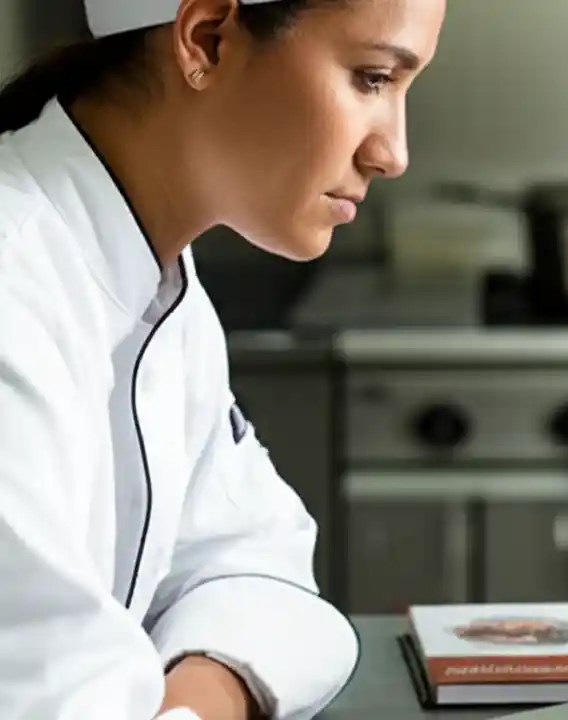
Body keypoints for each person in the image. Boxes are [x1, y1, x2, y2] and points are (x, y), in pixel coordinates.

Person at [0, 0, 445, 717]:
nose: (392, 153)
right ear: (206, 39)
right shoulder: (14, 282)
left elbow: (263, 569)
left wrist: (201, 699)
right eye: (372, 78)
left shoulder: (162, 287)